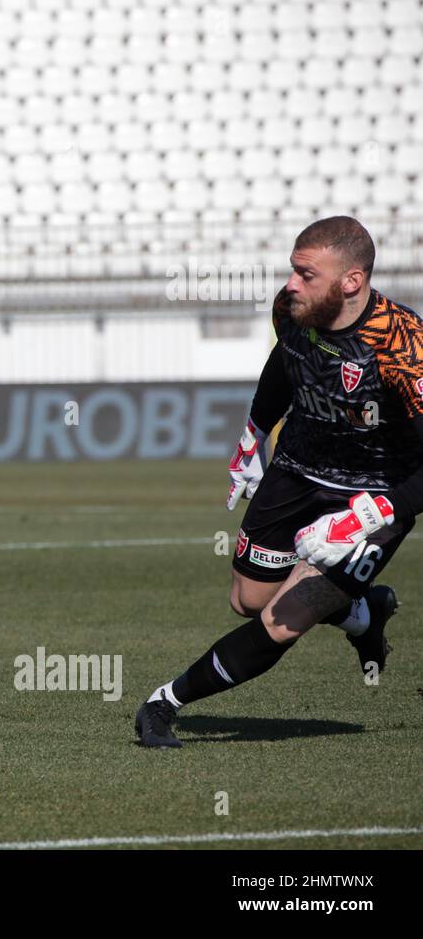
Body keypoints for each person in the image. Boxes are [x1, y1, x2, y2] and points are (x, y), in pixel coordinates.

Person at [137, 216, 423, 748]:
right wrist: (253, 433)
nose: (292, 283)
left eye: (306, 273)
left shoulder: (404, 347)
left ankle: (162, 704)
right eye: (293, 269)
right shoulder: (291, 307)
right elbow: (283, 366)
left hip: (374, 495)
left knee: (281, 620)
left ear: (352, 281)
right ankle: (363, 613)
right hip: (296, 468)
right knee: (247, 599)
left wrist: (365, 518)